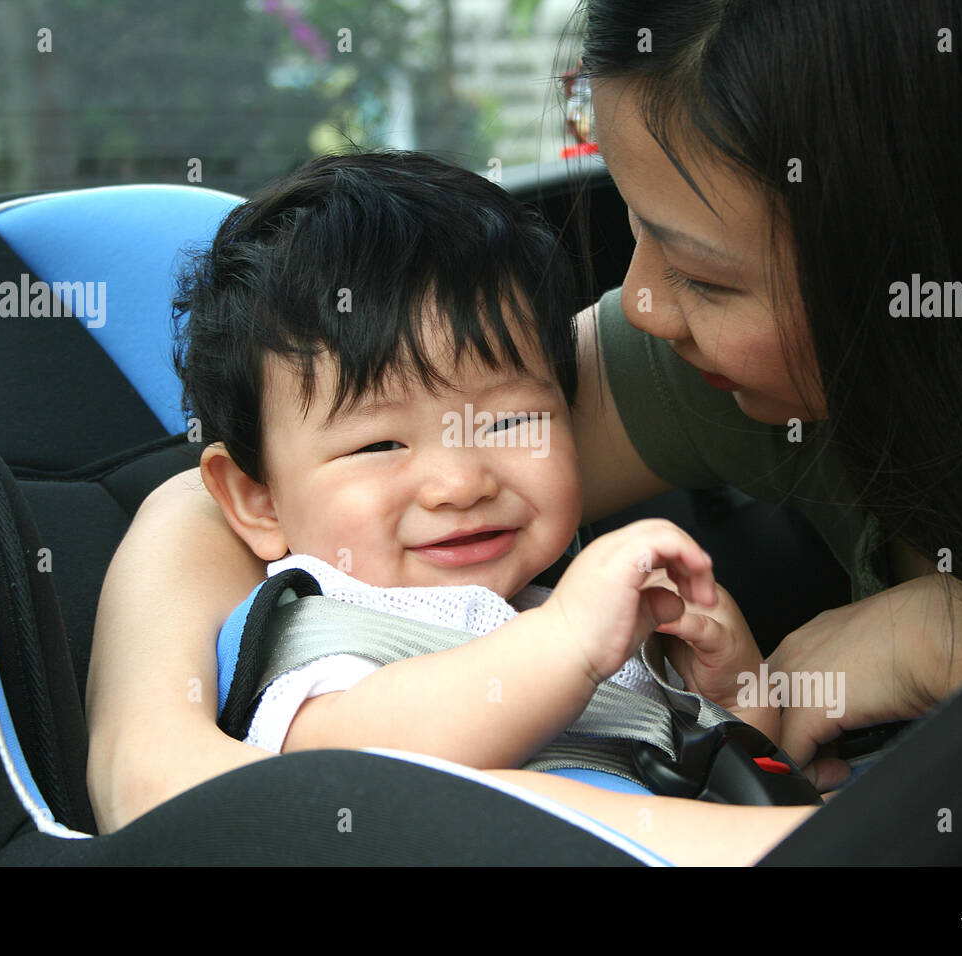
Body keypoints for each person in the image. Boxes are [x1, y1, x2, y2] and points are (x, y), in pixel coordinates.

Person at [86, 0, 962, 865]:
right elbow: (229, 514)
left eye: (700, 271)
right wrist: (160, 753)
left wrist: (748, 694)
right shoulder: (369, 612)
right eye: (630, 229)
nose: (636, 305)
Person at [175, 149, 778, 771]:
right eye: (379, 445)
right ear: (258, 500)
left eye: (510, 421)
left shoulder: (573, 613)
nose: (460, 484)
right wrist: (567, 643)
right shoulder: (319, 639)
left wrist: (730, 697)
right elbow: (347, 767)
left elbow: (730, 784)